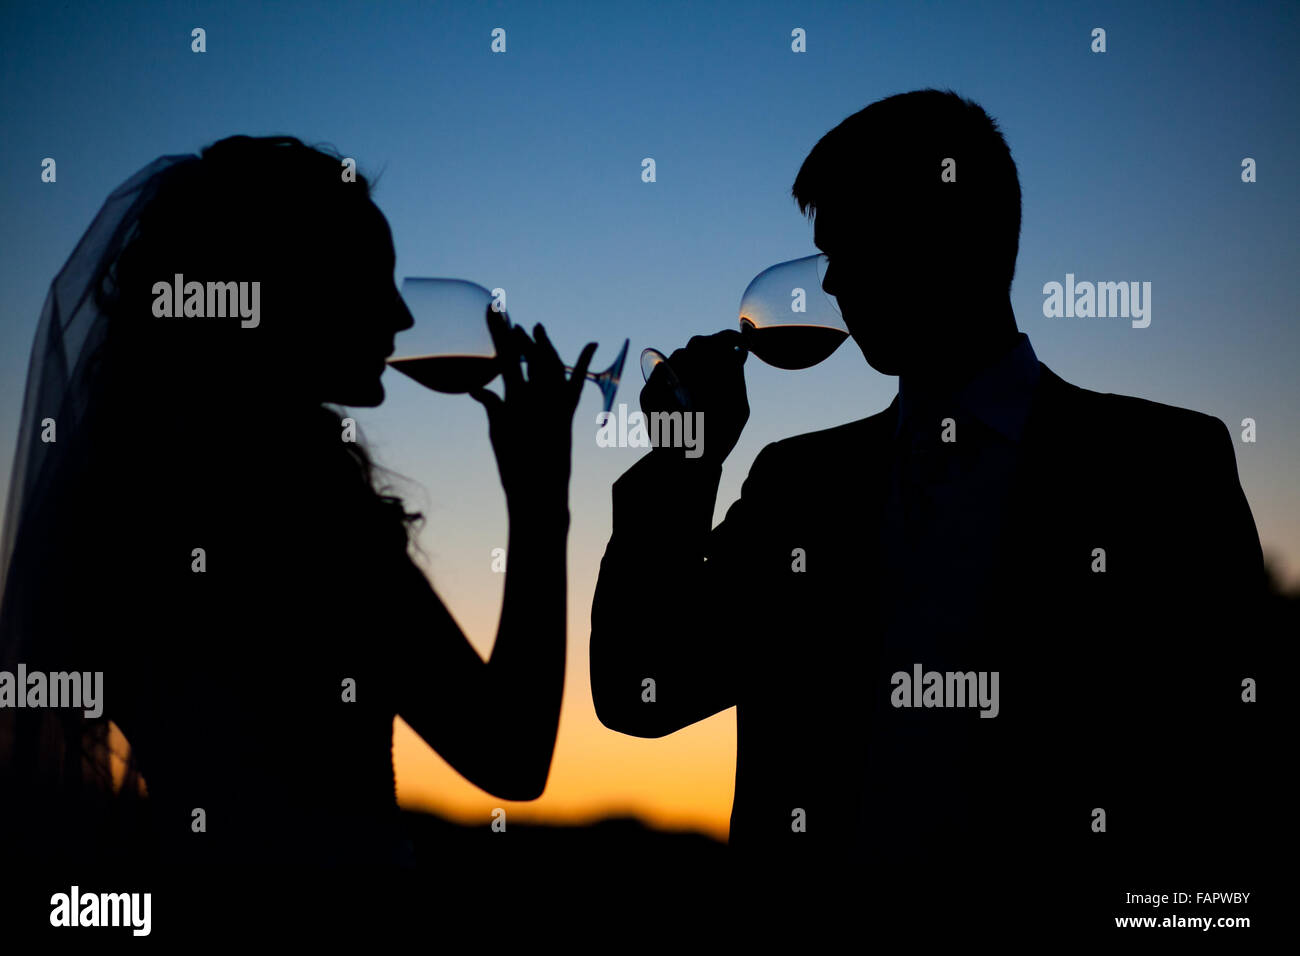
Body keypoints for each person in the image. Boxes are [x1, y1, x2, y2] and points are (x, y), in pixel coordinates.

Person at [590, 90, 1266, 921]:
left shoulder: (1164, 470)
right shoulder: (797, 485)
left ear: (950, 235)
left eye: (850, 245)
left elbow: (1238, 771)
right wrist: (683, 461)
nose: (831, 282)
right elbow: (640, 691)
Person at [0, 135, 594, 870]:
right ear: (289, 293)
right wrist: (540, 503)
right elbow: (509, 754)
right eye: (373, 280)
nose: (402, 318)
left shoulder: (128, 492)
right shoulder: (310, 514)